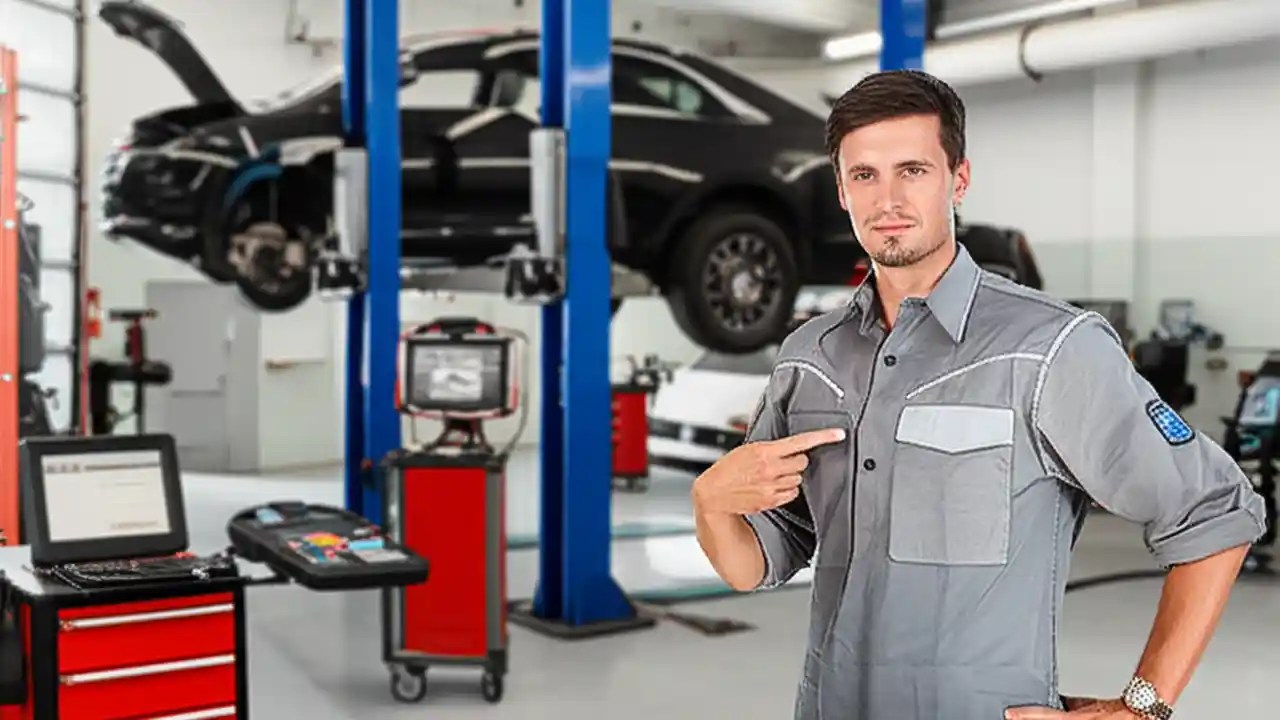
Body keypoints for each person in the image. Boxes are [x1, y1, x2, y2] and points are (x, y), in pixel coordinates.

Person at [690, 69, 1267, 720]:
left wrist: (1143, 706)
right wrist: (710, 503)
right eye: (865, 175)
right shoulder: (809, 359)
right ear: (842, 192)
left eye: (912, 170)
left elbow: (1215, 513)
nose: (889, 200)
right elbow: (758, 563)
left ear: (957, 180)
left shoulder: (1049, 348)